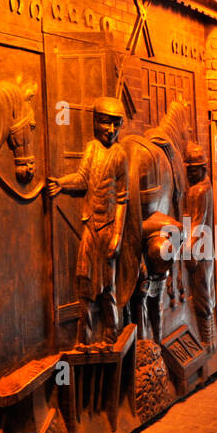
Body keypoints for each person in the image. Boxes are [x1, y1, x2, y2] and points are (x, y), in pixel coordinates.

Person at [46, 96, 130, 349]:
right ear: (96, 123)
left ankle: (110, 337)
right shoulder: (92, 149)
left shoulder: (119, 154)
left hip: (108, 227)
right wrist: (61, 183)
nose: (111, 130)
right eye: (106, 124)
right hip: (90, 225)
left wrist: (117, 235)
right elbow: (83, 178)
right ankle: (84, 339)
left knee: (107, 286)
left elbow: (123, 199)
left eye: (116, 125)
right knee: (85, 281)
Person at [181, 139, 216, 345]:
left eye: (194, 170)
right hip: (204, 247)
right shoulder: (205, 184)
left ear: (202, 169)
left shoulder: (200, 191)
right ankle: (208, 337)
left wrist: (188, 249)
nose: (190, 174)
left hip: (200, 249)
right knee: (205, 290)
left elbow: (197, 222)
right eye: (189, 170)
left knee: (202, 294)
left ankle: (207, 338)